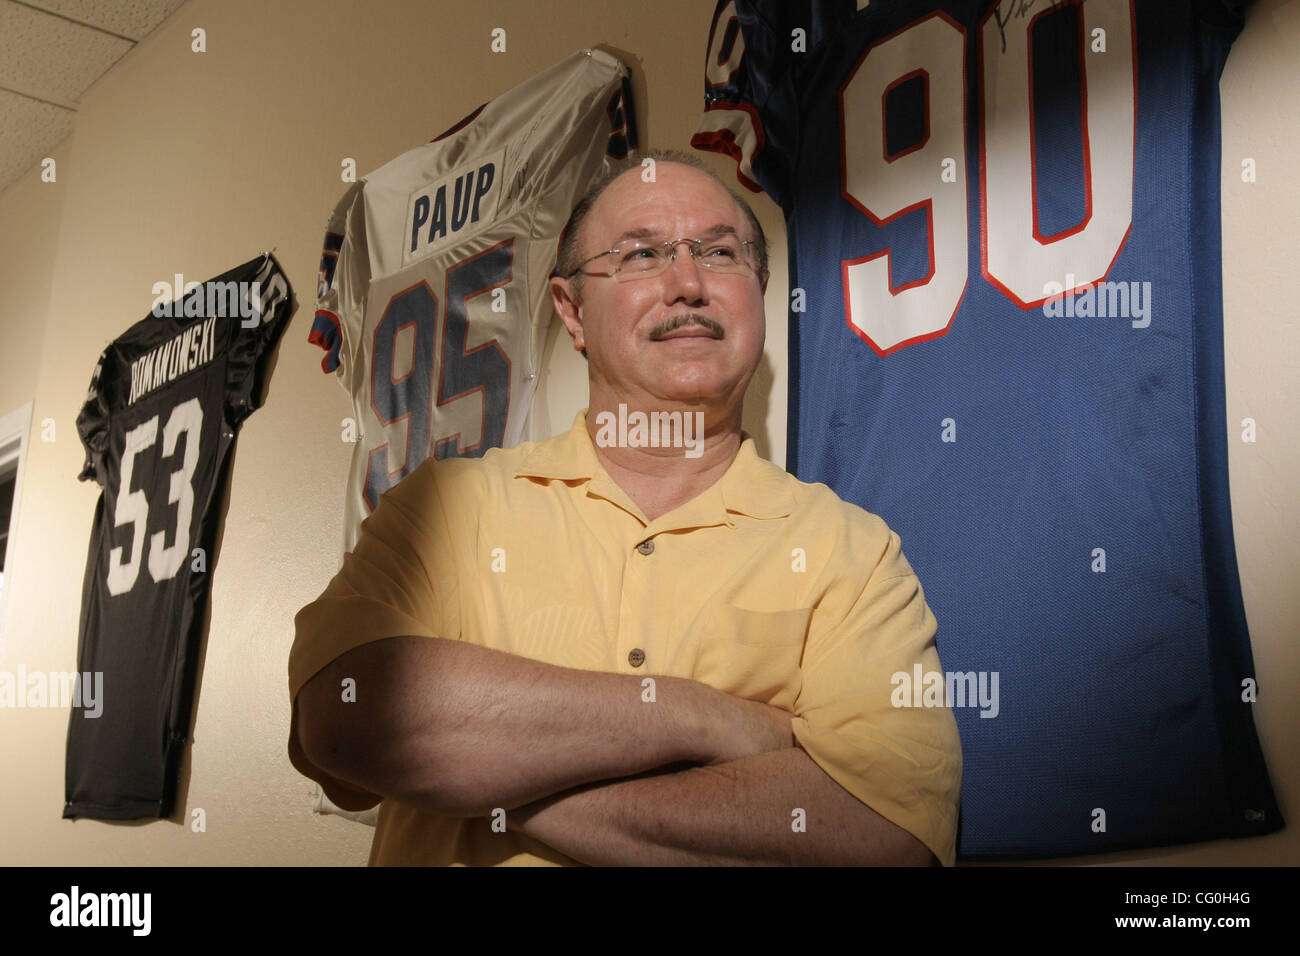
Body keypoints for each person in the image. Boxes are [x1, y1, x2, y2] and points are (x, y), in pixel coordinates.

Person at [288, 151, 962, 865]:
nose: (688, 283)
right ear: (572, 312)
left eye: (720, 252)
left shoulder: (851, 553)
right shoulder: (450, 507)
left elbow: (886, 834)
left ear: (758, 298)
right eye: (641, 254)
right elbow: (347, 713)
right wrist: (709, 719)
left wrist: (484, 782)